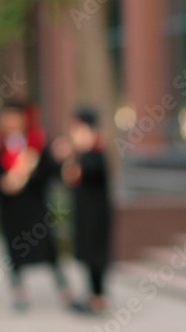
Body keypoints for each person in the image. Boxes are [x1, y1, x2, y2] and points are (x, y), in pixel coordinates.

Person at [0, 102, 71, 311]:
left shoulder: (36, 143)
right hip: (10, 209)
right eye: (8, 117)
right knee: (14, 248)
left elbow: (50, 172)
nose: (12, 122)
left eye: (16, 117)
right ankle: (19, 291)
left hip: (35, 205)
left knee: (48, 247)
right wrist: (4, 184)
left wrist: (40, 169)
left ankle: (63, 288)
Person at [51, 107, 114, 315]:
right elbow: (66, 178)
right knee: (86, 256)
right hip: (83, 215)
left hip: (97, 217)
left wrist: (74, 153)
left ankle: (99, 298)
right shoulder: (80, 154)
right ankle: (93, 296)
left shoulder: (96, 153)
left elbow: (87, 171)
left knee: (96, 257)